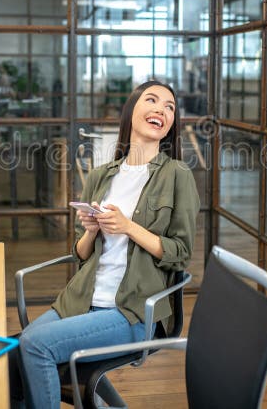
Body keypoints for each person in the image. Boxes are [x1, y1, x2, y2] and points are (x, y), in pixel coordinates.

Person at [17, 81, 200, 408]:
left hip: (131, 311)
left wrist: (129, 227)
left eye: (170, 107)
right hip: (82, 299)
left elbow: (181, 254)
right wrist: (90, 231)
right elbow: (80, 254)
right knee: (18, 351)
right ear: (131, 112)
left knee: (36, 345)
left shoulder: (177, 175)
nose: (161, 109)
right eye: (152, 100)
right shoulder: (101, 175)